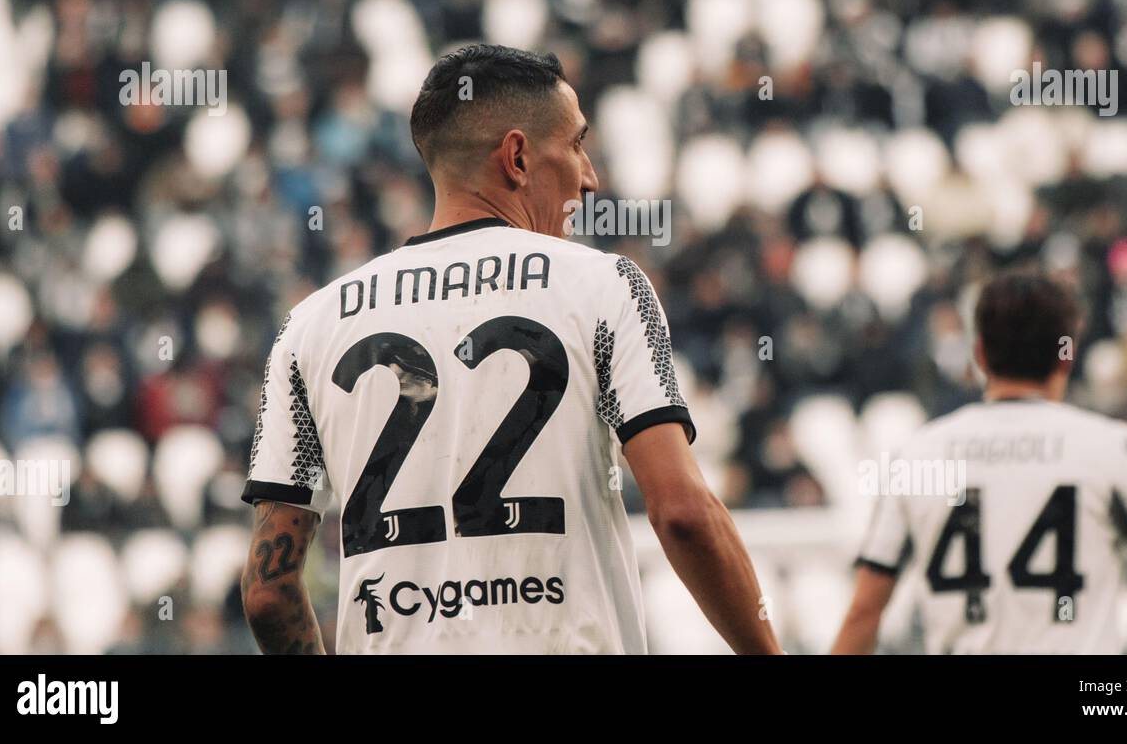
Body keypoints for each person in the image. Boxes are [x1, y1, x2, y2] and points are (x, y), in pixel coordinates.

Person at [239, 43, 780, 654]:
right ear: (518, 157)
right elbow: (682, 514)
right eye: (576, 144)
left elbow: (269, 589)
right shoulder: (604, 286)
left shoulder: (310, 325)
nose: (590, 176)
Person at [832, 270, 1127, 654]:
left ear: (978, 354)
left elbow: (864, 613)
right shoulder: (1109, 448)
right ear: (1066, 355)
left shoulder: (920, 453)